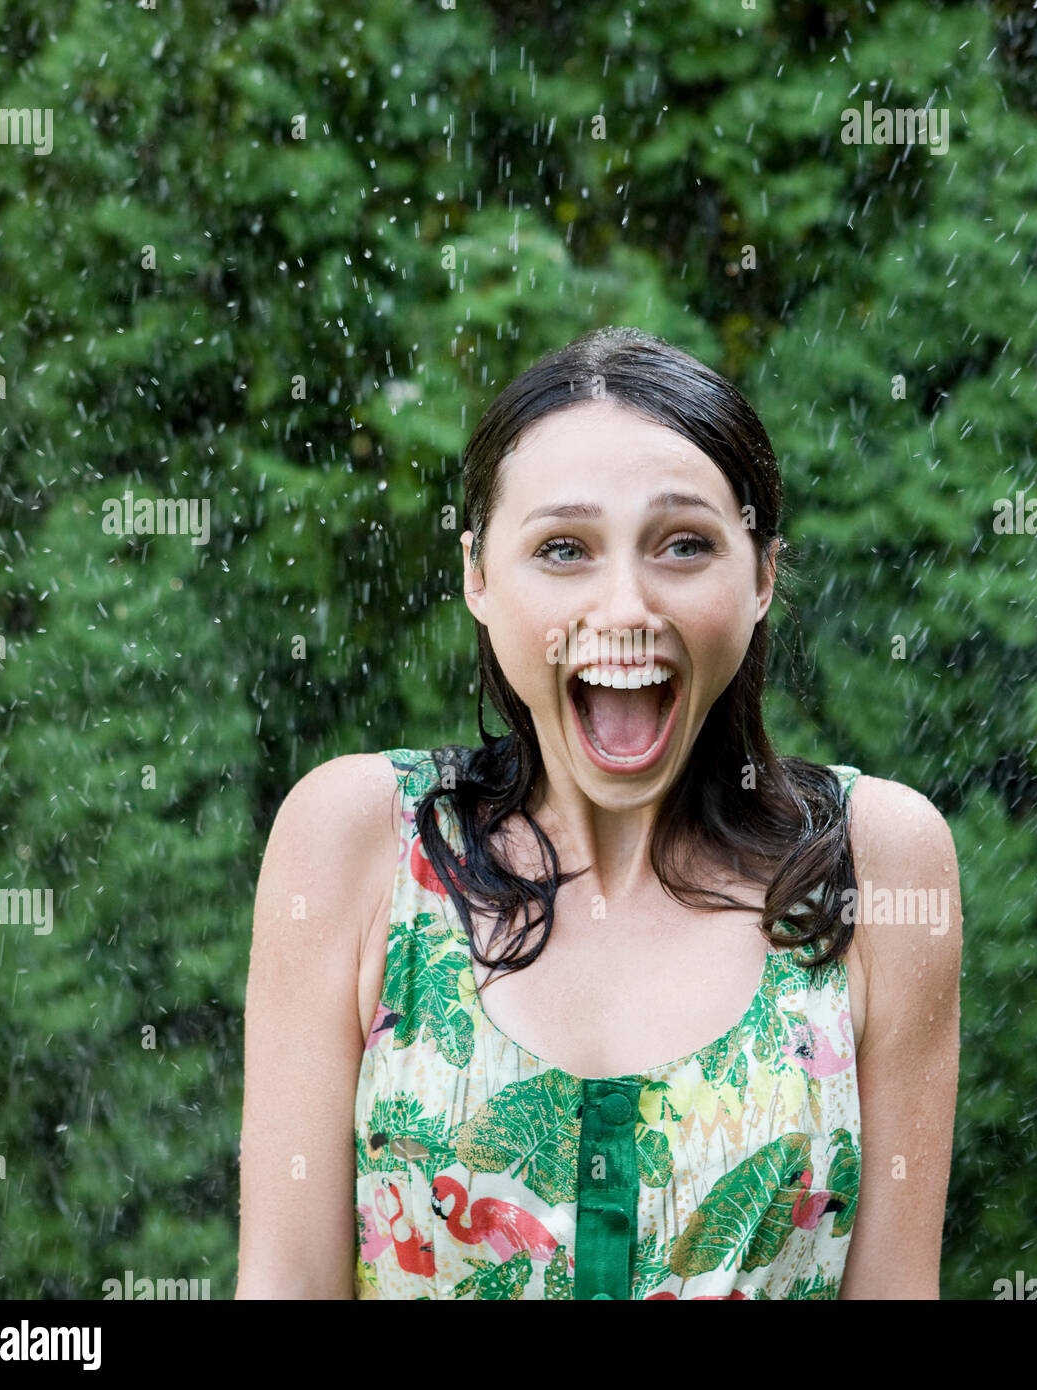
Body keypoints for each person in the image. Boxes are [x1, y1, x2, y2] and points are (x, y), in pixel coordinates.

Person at [236, 326, 962, 1299]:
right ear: (477, 576)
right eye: (564, 547)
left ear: (760, 576)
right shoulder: (357, 841)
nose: (625, 604)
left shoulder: (878, 864)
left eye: (684, 544)